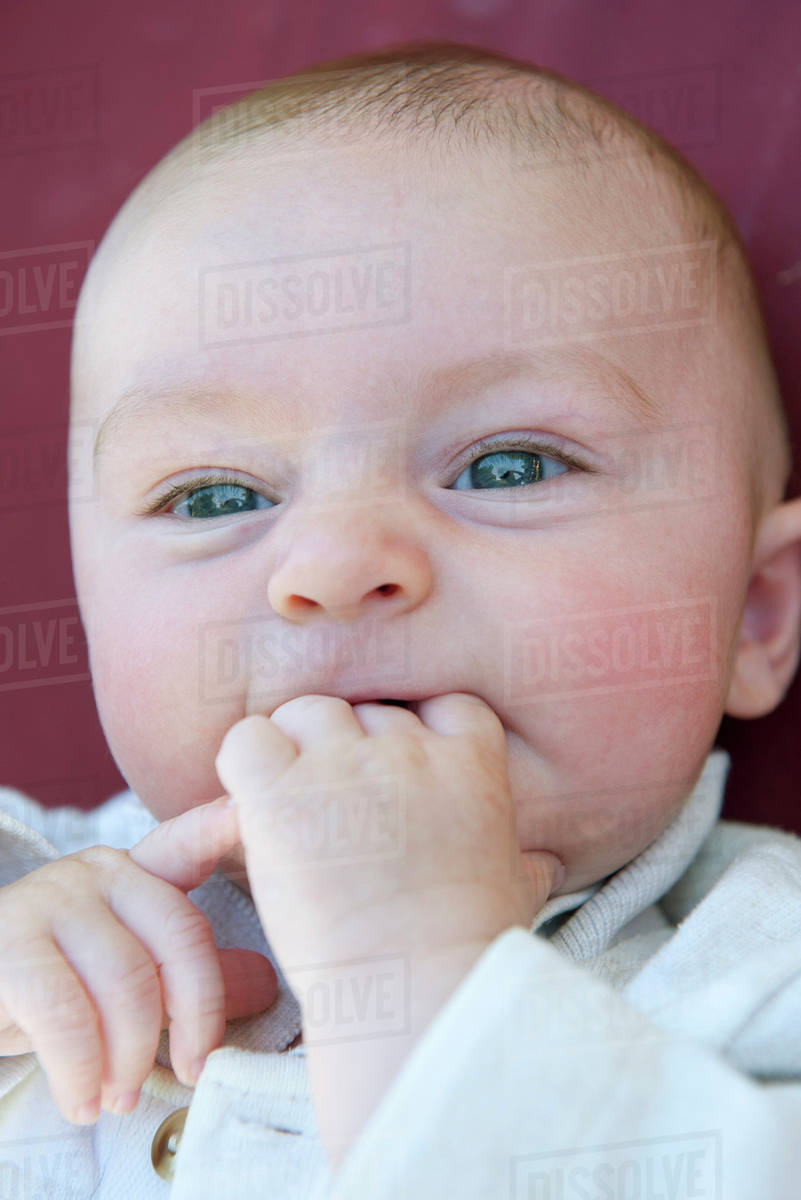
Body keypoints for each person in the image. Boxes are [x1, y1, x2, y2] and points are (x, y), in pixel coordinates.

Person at [2, 41, 801, 1198]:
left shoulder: (757, 974)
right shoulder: (43, 889)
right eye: (218, 498)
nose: (333, 566)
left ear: (755, 614)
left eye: (509, 466)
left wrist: (429, 990)